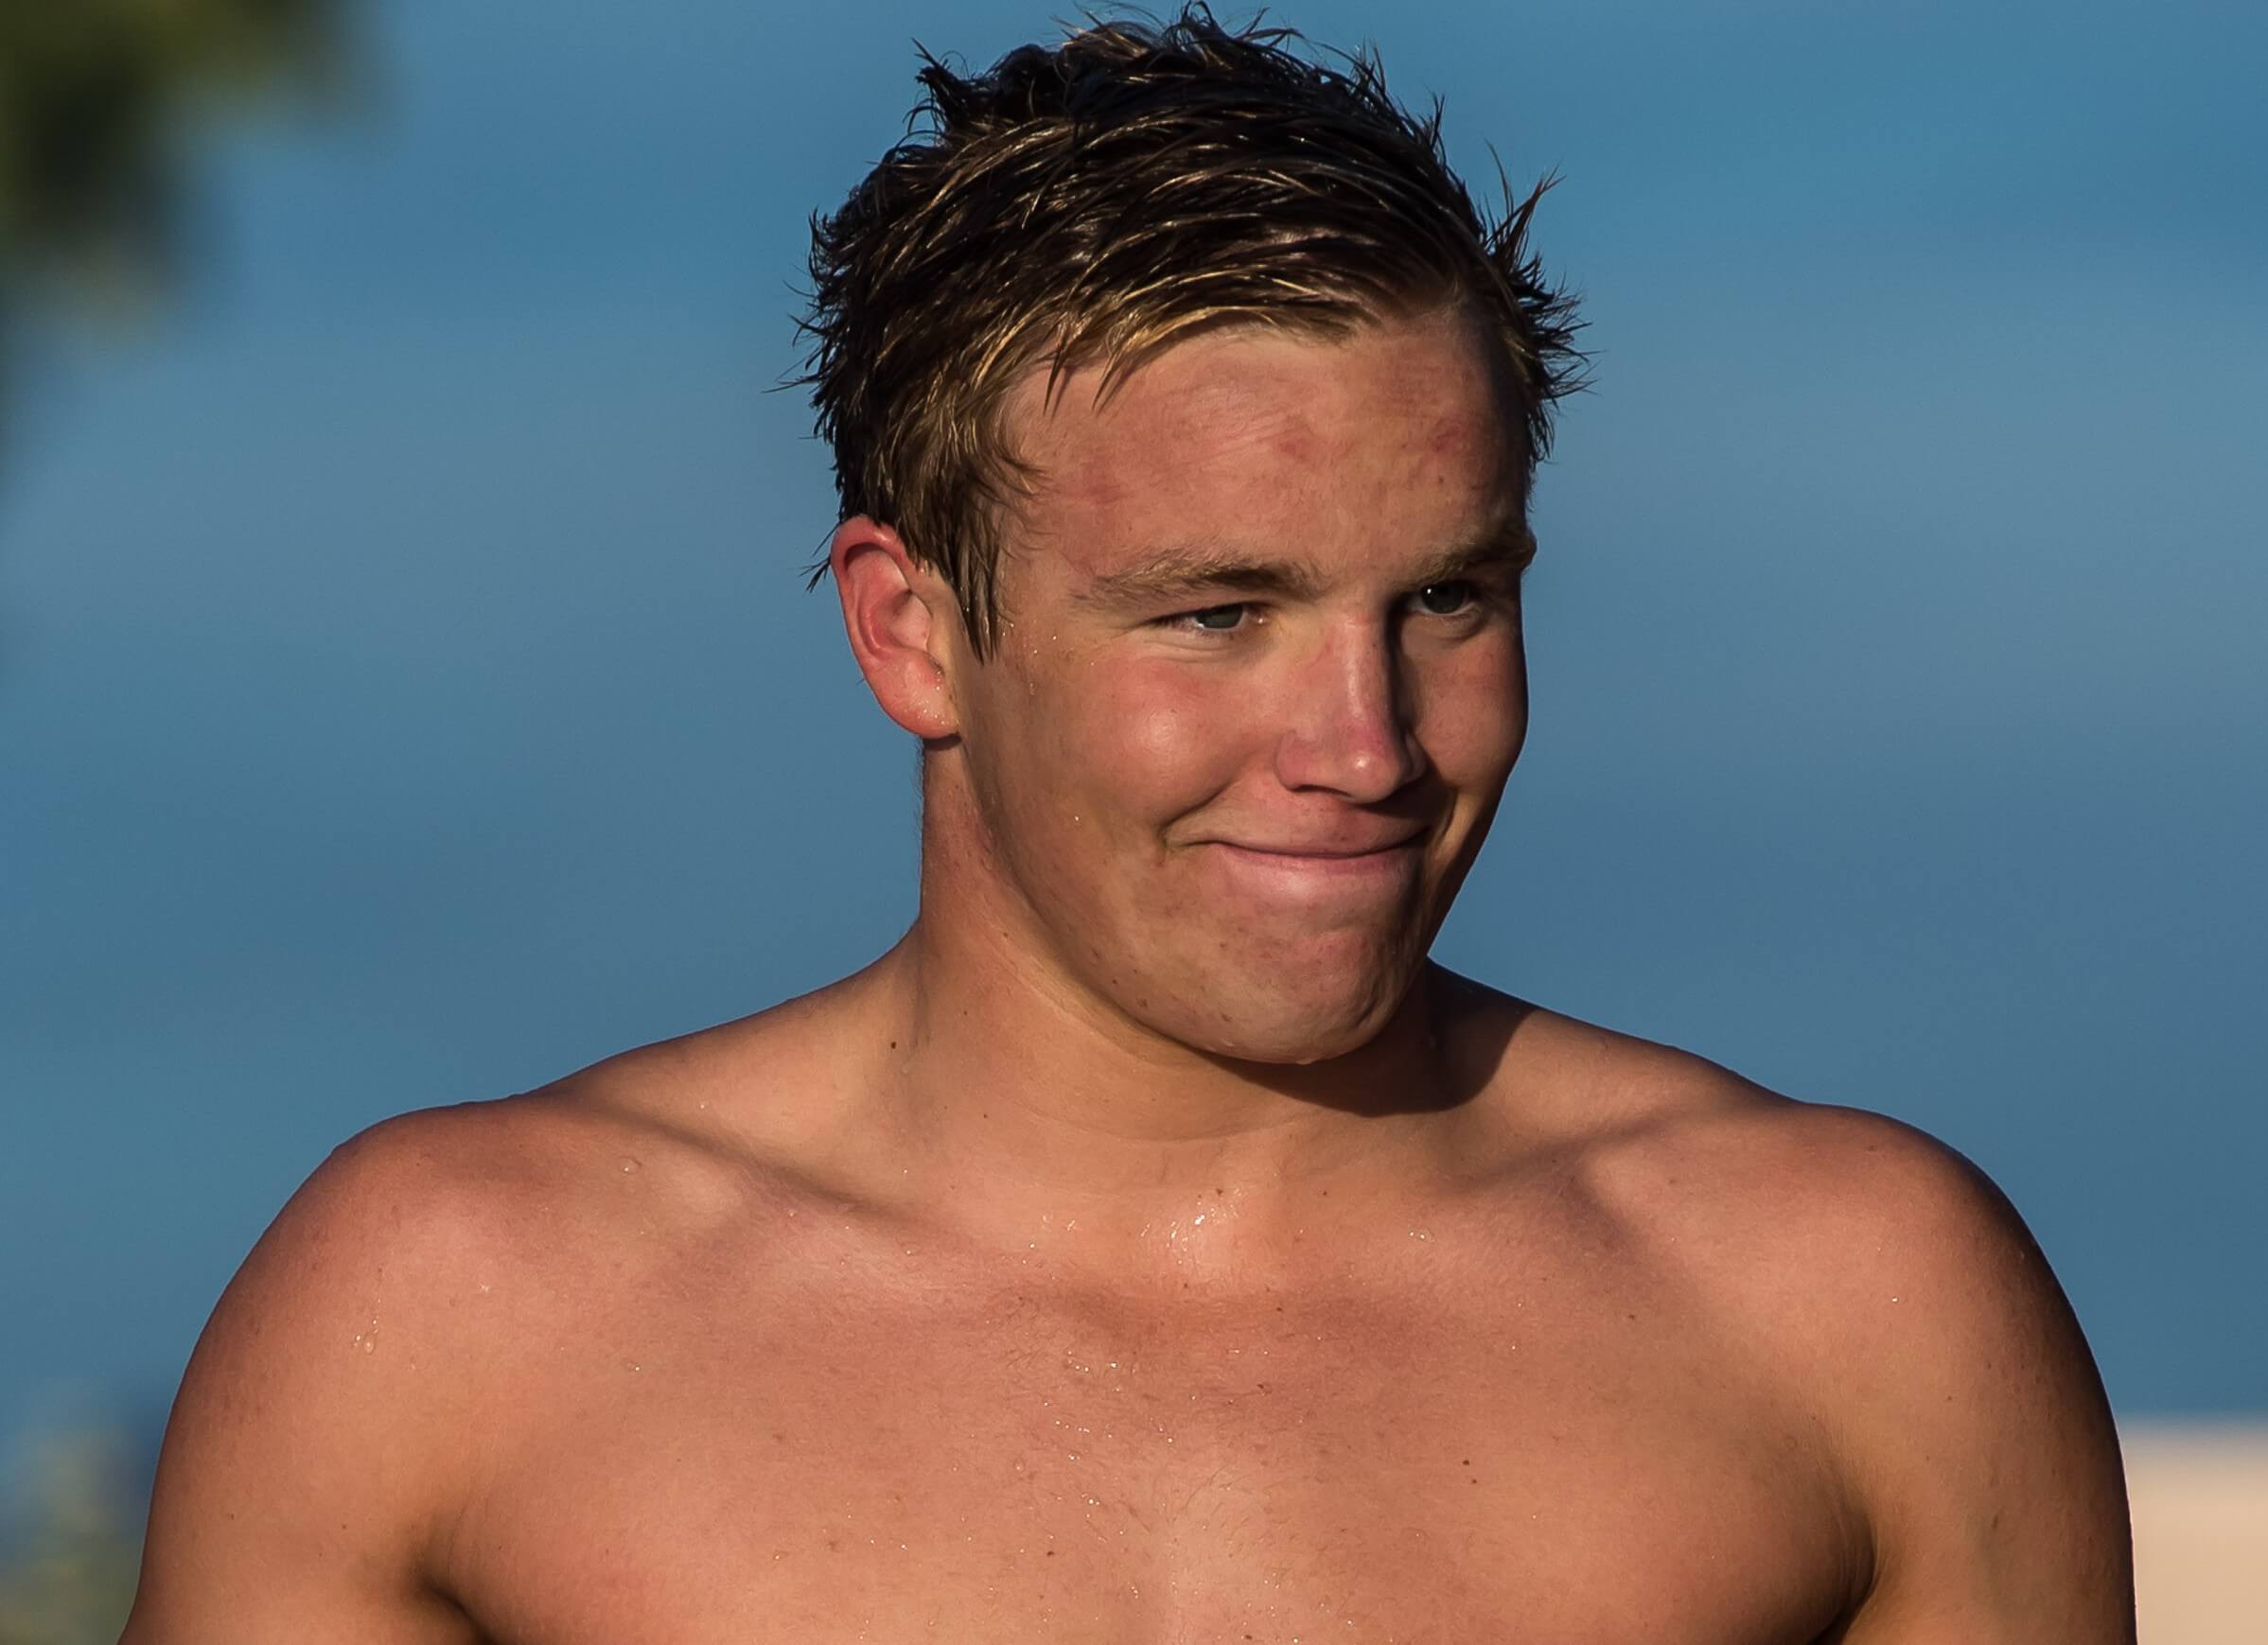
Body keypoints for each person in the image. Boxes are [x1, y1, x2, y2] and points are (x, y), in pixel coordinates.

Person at [124, 10, 2134, 1641]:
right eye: (1215, 614)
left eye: (1444, 597)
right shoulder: (449, 1319)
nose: (1362, 743)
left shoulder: (1851, 1308)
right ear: (908, 632)